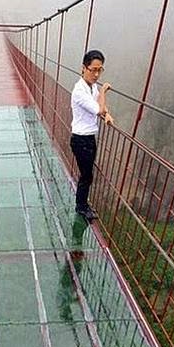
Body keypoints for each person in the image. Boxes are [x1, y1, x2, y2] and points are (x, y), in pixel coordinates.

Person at [70, 49, 114, 222]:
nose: (96, 74)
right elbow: (99, 108)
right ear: (83, 68)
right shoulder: (79, 91)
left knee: (88, 175)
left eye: (99, 70)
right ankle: (81, 207)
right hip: (80, 140)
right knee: (86, 176)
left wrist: (107, 115)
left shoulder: (91, 87)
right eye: (93, 69)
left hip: (89, 138)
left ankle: (83, 205)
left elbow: (100, 107)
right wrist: (104, 91)